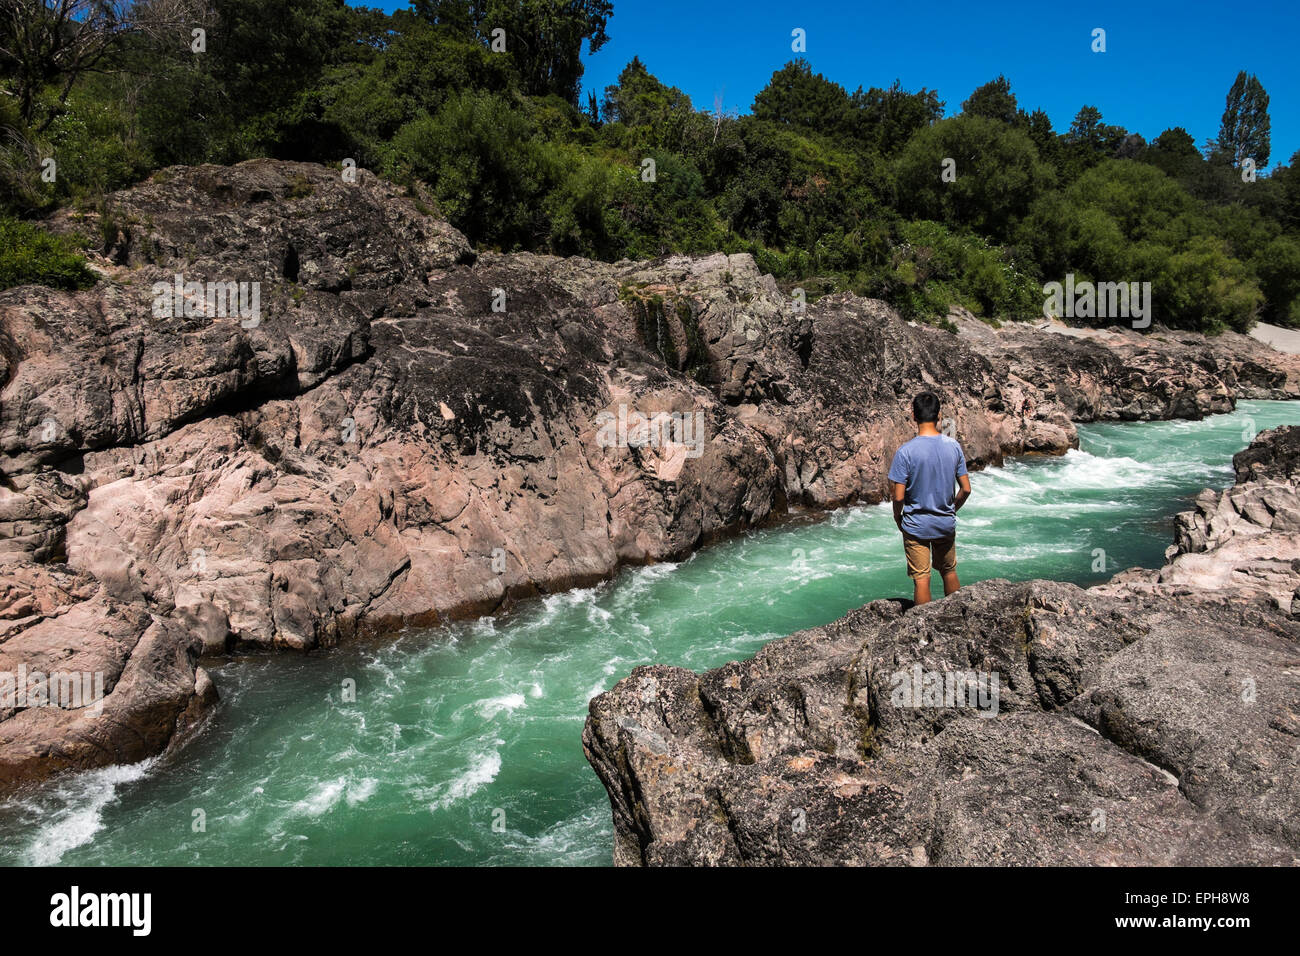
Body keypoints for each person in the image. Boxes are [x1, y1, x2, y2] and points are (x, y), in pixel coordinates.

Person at [887, 392, 972, 605]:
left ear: (913, 416)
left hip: (916, 525)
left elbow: (898, 496)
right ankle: (956, 617)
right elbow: (966, 489)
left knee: (922, 579)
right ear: (939, 416)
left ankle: (923, 630)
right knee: (949, 571)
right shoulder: (953, 446)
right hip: (945, 522)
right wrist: (951, 509)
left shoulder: (905, 452)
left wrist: (898, 517)